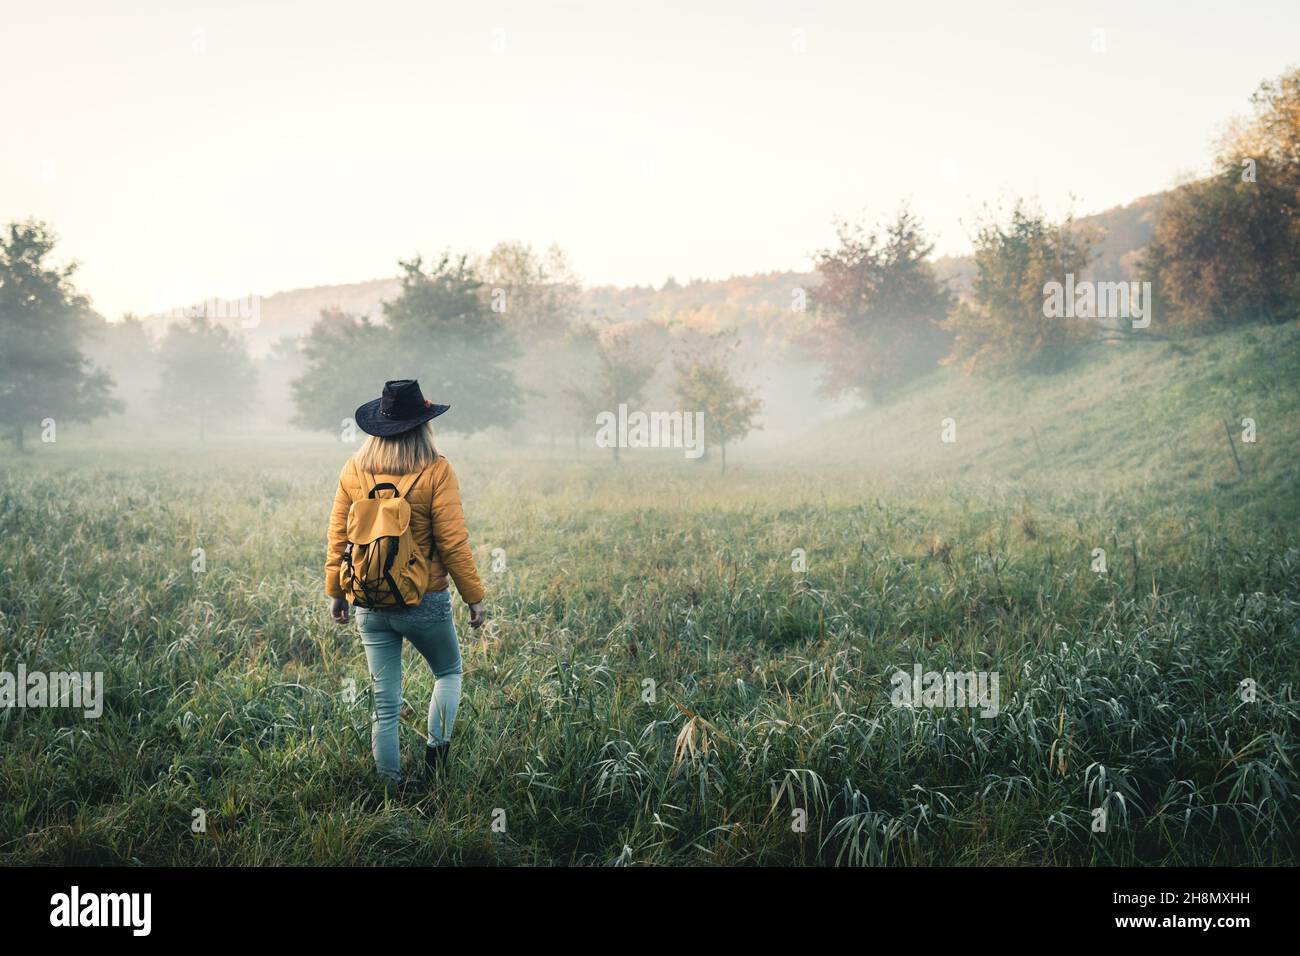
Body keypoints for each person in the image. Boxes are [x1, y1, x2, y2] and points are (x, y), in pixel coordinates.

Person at [324, 379, 486, 784]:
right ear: (423, 426)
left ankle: (388, 786)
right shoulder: (437, 470)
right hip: (424, 600)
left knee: (385, 700)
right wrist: (474, 597)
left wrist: (336, 592)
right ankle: (434, 771)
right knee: (448, 672)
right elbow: (452, 543)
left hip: (369, 599)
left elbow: (339, 537)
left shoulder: (354, 468)